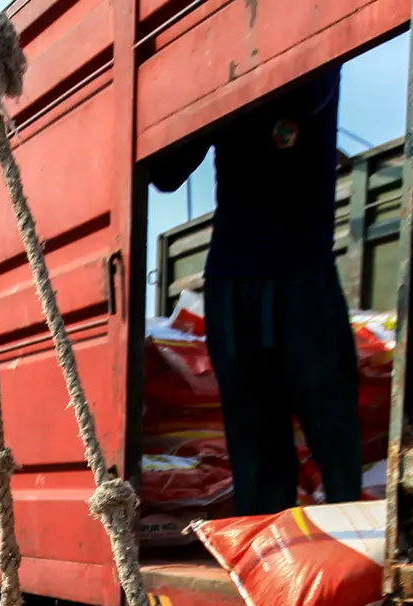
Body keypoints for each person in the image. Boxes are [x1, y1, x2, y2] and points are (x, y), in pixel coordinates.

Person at [148, 66, 363, 516]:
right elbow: (166, 172)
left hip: (303, 275)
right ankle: (273, 565)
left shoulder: (302, 36)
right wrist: (202, 86)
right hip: (235, 285)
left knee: (335, 440)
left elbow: (308, 95)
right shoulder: (215, 58)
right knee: (256, 459)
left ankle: (353, 565)